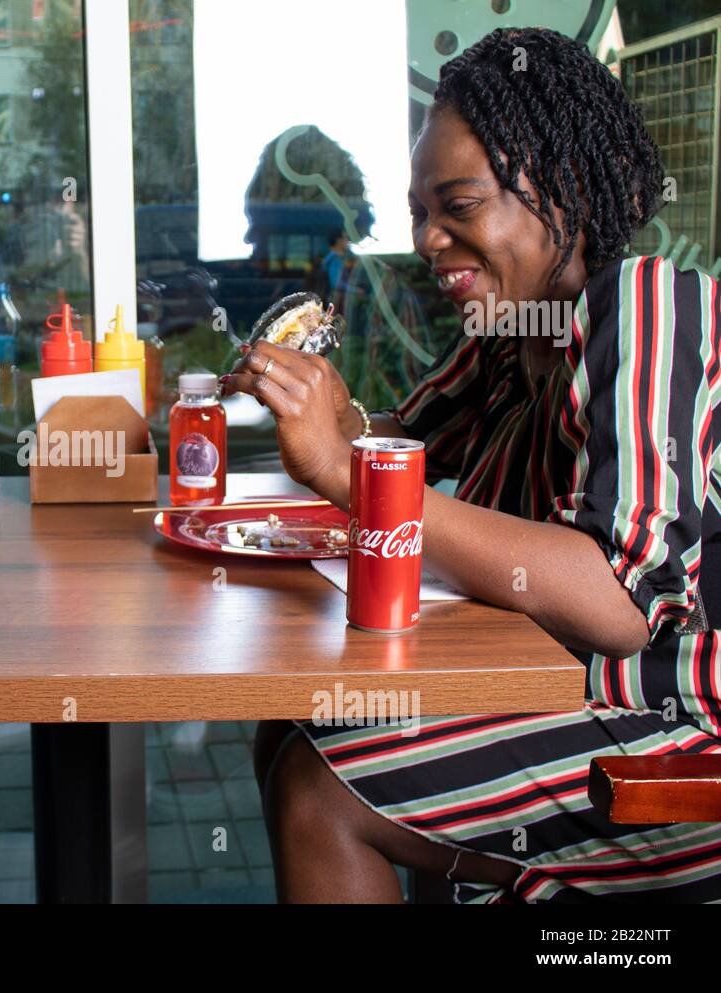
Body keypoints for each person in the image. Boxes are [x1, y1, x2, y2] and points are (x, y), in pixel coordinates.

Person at [224, 27, 721, 903]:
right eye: (419, 212)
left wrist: (349, 470)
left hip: (676, 731)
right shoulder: (510, 337)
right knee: (295, 724)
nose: (427, 237)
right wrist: (330, 414)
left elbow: (620, 602)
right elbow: (389, 442)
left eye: (459, 205)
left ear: (561, 186)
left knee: (321, 786)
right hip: (563, 691)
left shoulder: (649, 306)